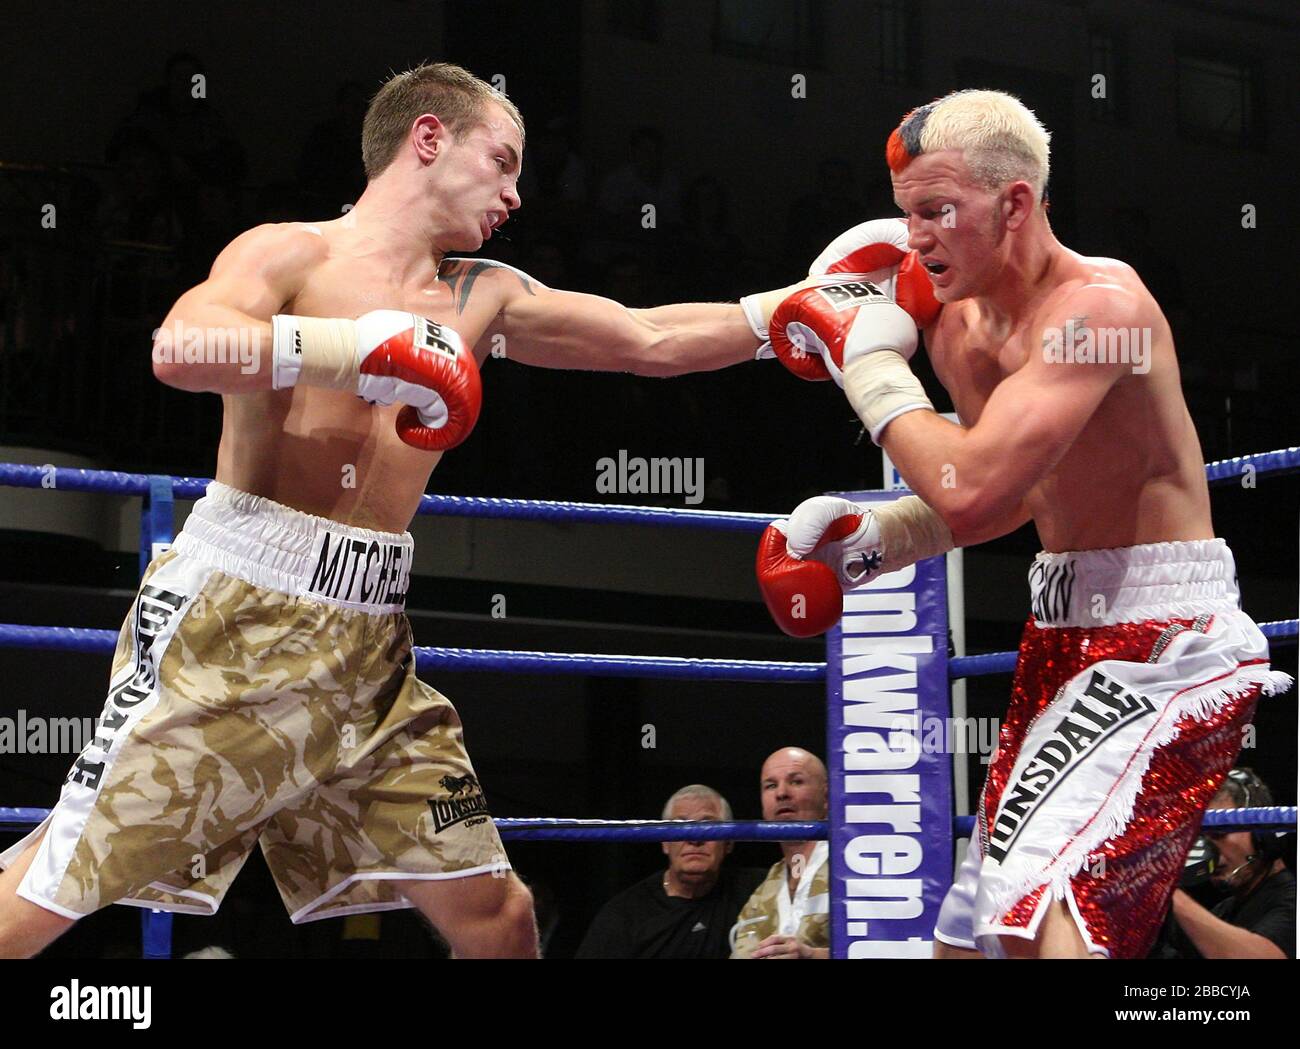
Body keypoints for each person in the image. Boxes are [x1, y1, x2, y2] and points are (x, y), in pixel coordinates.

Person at [0, 62, 805, 959]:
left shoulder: (482, 292)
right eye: (502, 162)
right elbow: (182, 348)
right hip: (234, 617)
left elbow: (649, 339)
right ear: (429, 138)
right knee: (43, 893)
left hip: (369, 652)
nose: (516, 192)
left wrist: (797, 310)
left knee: (499, 917)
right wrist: (359, 350)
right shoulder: (291, 251)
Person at [754, 89, 1293, 958]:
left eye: (938, 211)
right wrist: (877, 539)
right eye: (907, 214)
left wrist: (866, 364)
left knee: (1051, 914)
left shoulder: (1103, 313)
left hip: (1167, 636)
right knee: (972, 937)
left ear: (1015, 203)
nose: (916, 237)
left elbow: (968, 486)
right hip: (1062, 634)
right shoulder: (959, 330)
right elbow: (998, 501)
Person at [576, 785, 762, 959]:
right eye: (680, 826)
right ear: (665, 842)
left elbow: (793, 863)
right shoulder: (625, 915)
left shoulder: (758, 891)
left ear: (728, 842)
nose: (694, 838)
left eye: (708, 826)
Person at [1161, 768, 1295, 958]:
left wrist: (1168, 892)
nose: (1208, 850)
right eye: (1200, 838)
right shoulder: (1224, 911)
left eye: (1219, 834)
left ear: (1262, 834)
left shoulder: (1292, 901)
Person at [730, 748, 830, 959]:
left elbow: (892, 945)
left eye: (796, 781)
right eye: (771, 785)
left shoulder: (854, 866)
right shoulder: (763, 893)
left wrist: (813, 956)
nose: (781, 793)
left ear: (827, 797)